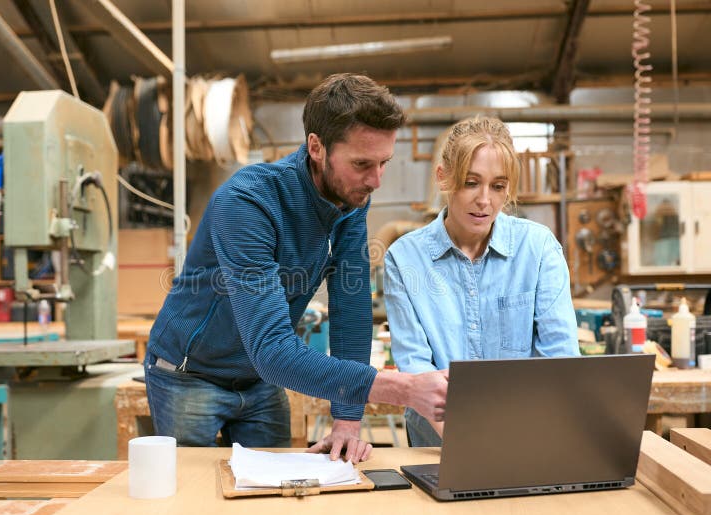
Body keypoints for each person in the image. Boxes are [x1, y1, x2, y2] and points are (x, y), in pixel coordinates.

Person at [145, 73, 450, 463]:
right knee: (195, 503)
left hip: (260, 380)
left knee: (273, 505)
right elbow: (272, 349)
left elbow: (352, 313)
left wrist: (347, 418)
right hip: (189, 375)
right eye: (361, 164)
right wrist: (402, 389)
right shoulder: (247, 203)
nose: (375, 180)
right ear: (316, 147)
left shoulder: (350, 199)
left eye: (384, 163)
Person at [383, 116, 579, 447]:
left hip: (527, 437)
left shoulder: (539, 248)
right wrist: (469, 449)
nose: (485, 200)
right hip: (439, 444)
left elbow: (559, 360)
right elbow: (417, 371)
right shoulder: (404, 259)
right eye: (471, 182)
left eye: (498, 186)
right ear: (443, 178)